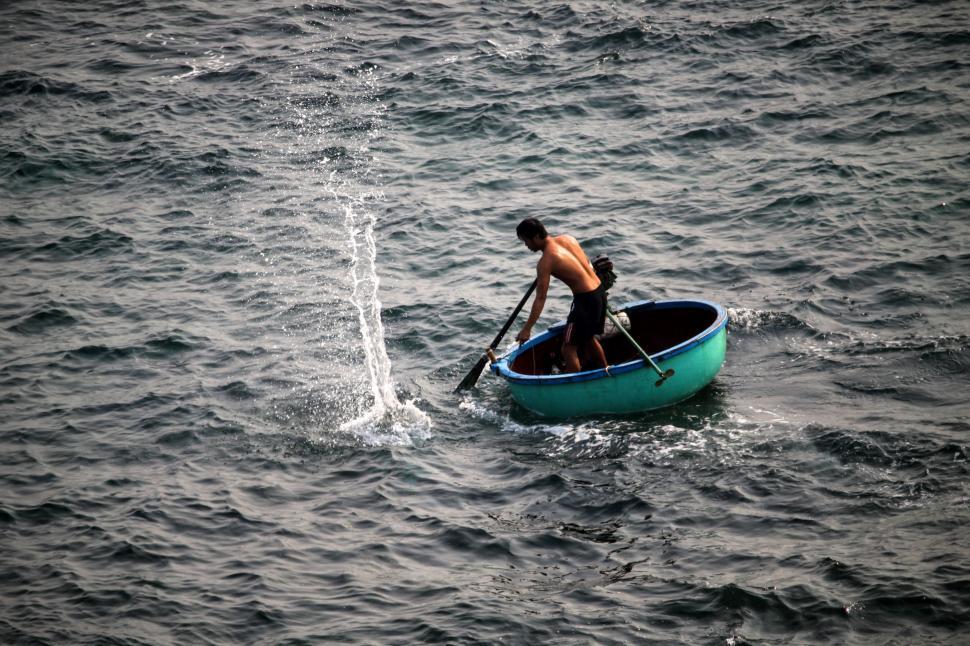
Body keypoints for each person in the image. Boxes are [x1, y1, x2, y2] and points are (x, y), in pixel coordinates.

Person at [514, 217, 609, 374]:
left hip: (585, 301)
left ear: (537, 236)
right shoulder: (568, 239)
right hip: (599, 292)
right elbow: (586, 264)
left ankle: (573, 385)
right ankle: (606, 371)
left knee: (568, 348)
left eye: (526, 241)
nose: (526, 246)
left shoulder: (546, 261)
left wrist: (527, 329)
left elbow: (540, 298)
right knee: (588, 338)